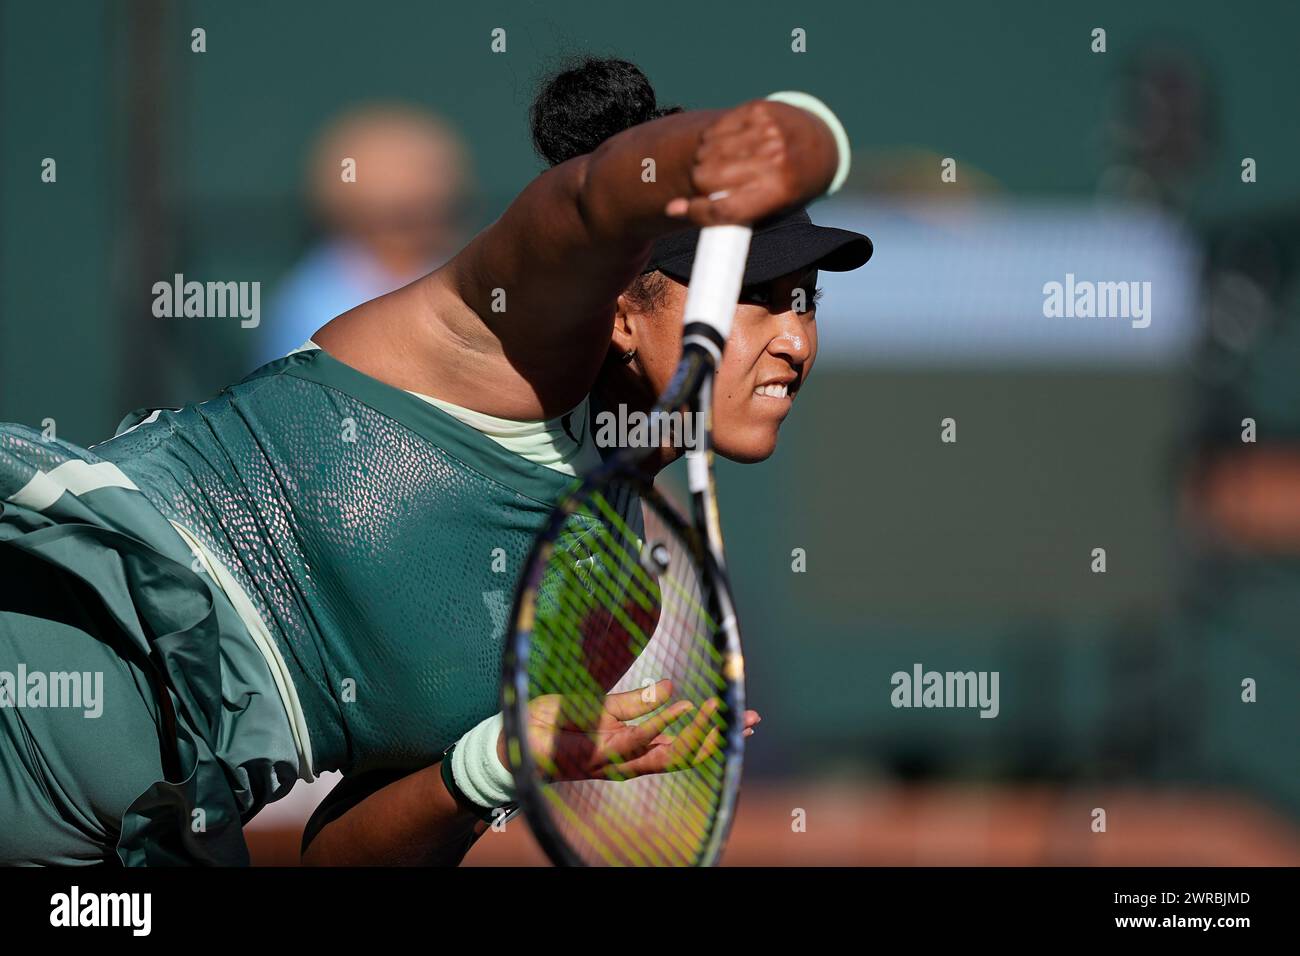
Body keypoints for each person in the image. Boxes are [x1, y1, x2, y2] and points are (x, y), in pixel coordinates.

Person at [0, 57, 870, 866]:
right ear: (619, 312)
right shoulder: (502, 349)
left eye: (805, 302)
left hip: (88, 850)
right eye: (754, 299)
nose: (795, 337)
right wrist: (789, 138)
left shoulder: (615, 601)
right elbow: (598, 196)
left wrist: (497, 760)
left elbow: (336, 855)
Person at [257, 105, 474, 365]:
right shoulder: (310, 309)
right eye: (403, 219)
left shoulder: (470, 289)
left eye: (446, 211)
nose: (428, 230)